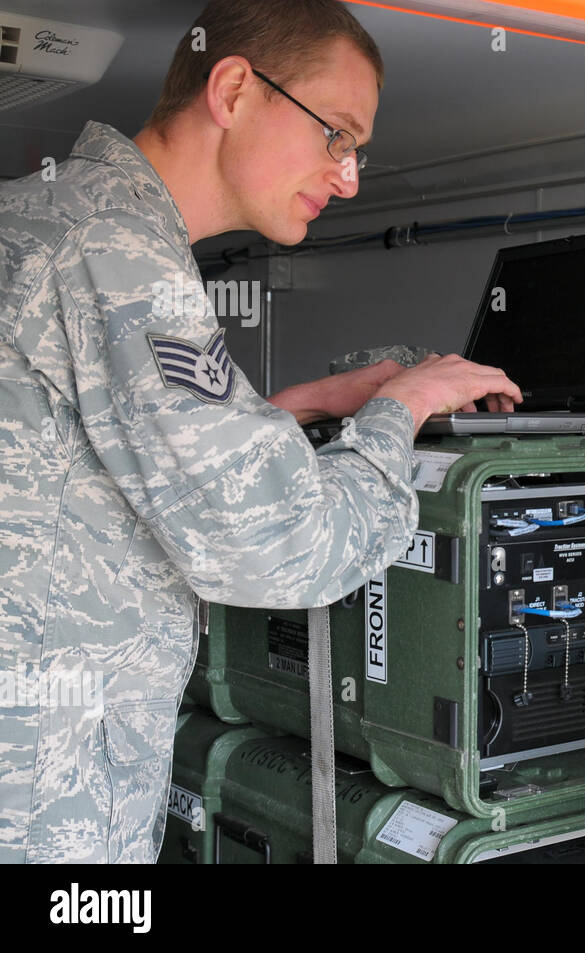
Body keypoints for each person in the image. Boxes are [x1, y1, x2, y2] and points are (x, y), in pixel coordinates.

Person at [0, 0, 521, 863]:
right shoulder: (118, 251)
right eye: (336, 135)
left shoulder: (50, 213)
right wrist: (405, 407)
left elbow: (79, 463)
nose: (348, 179)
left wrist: (308, 402)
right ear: (234, 89)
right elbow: (281, 545)